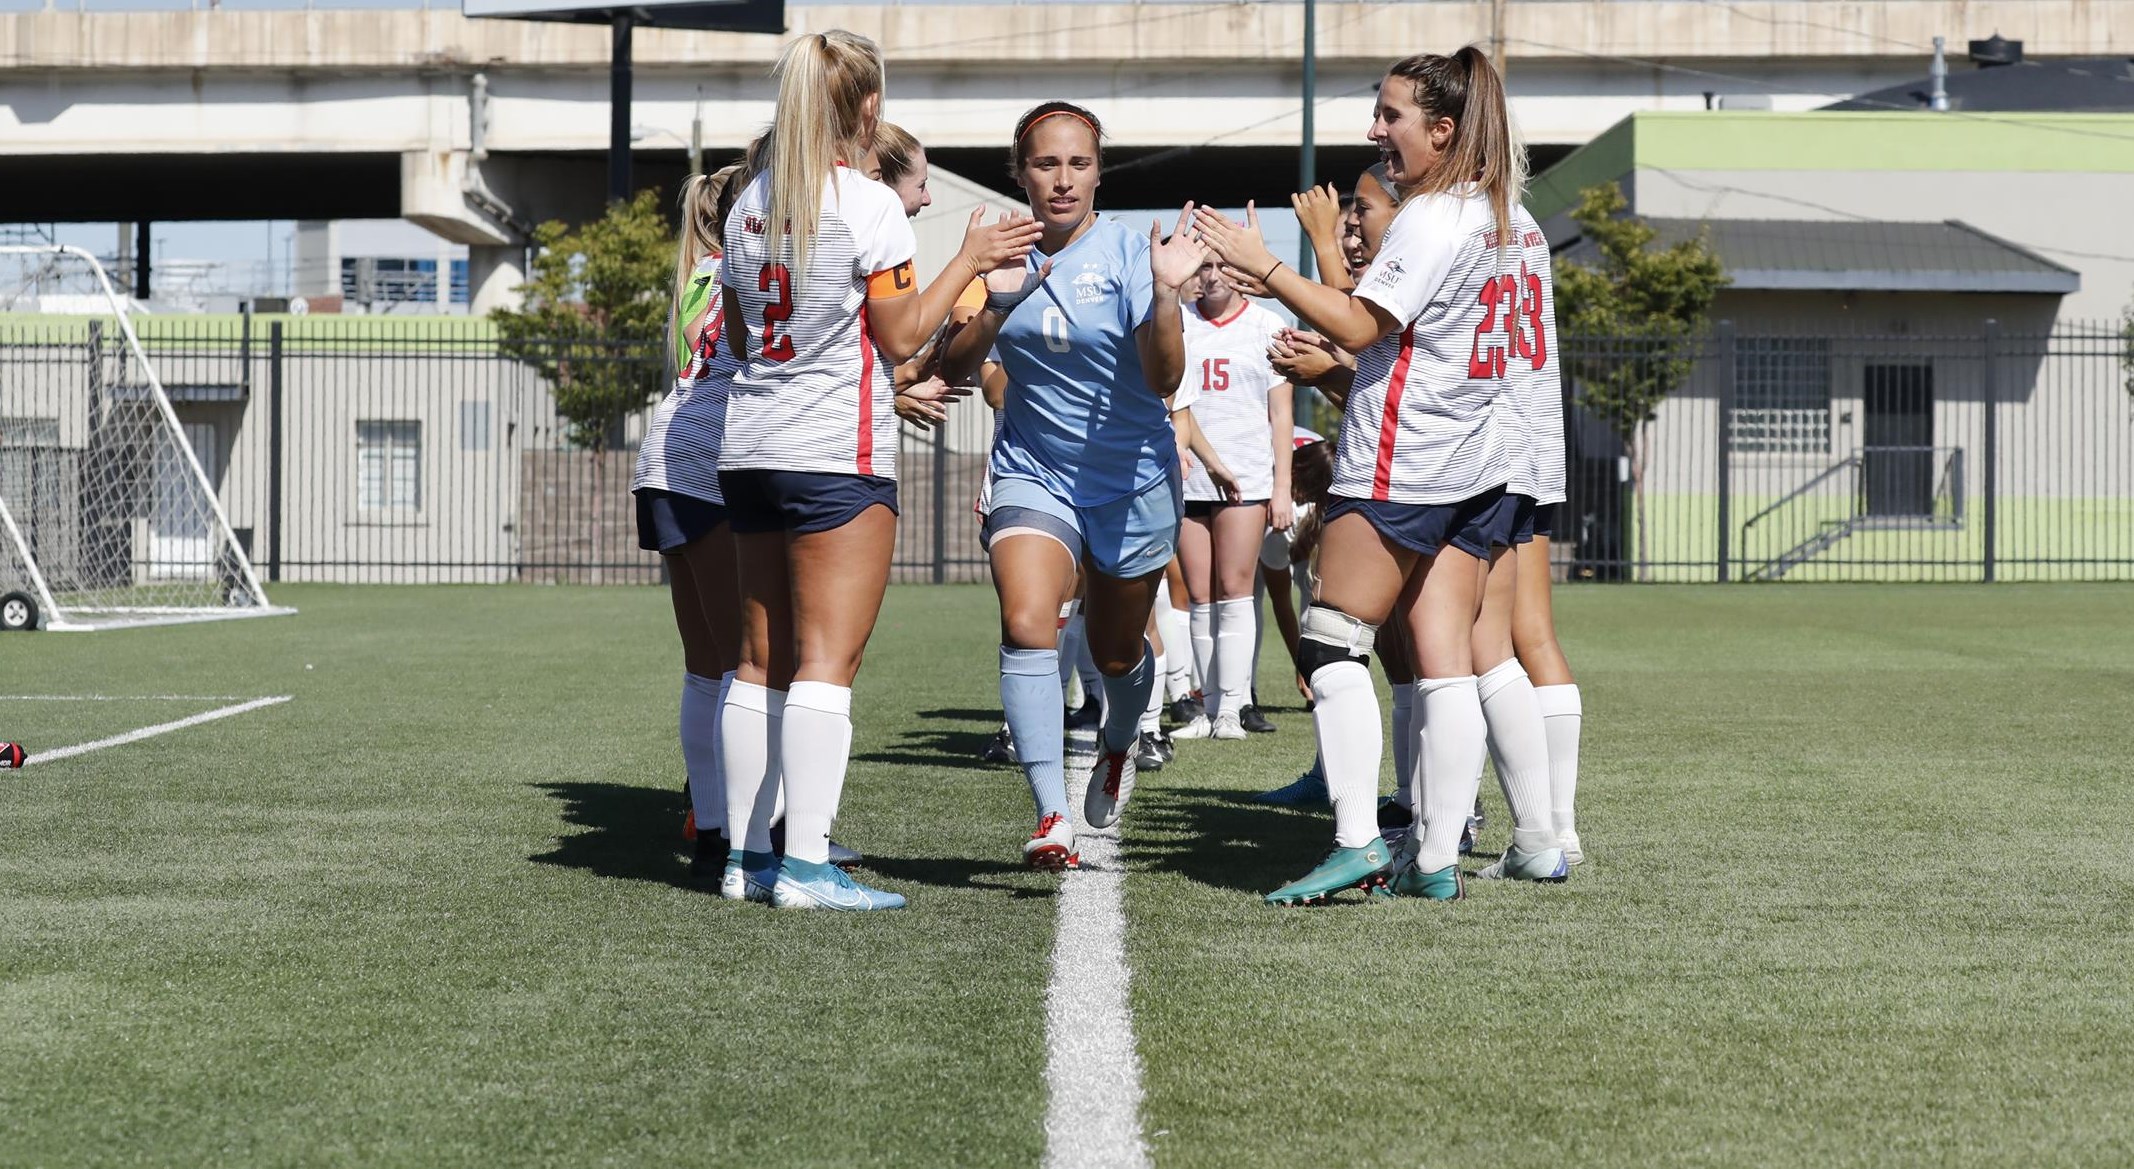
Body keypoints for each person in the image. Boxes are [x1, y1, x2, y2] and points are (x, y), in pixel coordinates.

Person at [1196, 45, 1561, 904]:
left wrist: (1269, 268)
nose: (1376, 129)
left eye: (1392, 115)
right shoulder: (1517, 219)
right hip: (1479, 461)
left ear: (1443, 129)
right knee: (1447, 665)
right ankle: (1436, 859)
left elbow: (1362, 328)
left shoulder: (1435, 216)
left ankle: (1359, 838)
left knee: (1330, 640)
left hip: (1406, 455)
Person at [716, 29, 1041, 911]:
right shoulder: (864, 203)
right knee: (826, 660)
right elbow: (901, 338)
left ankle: (746, 858)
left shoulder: (749, 198)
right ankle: (808, 865)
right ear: (866, 109)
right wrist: (970, 261)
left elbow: (743, 335)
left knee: (757, 661)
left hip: (749, 445)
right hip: (833, 450)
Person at [941, 100, 1214, 870]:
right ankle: (1050, 811)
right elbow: (956, 368)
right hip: (1033, 469)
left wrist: (1165, 294)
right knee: (1029, 621)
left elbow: (1165, 376)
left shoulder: (1133, 253)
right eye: (1045, 164)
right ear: (1020, 173)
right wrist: (993, 295)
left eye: (1079, 163)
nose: (1062, 180)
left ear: (1099, 172)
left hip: (1130, 478)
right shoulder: (994, 251)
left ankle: (1120, 741)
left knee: (1118, 651)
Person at [1169, 258, 1294, 743]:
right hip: (1186, 477)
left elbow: (1281, 415)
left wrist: (1280, 486)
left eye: (1221, 265)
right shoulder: (1178, 322)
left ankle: (1234, 706)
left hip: (1247, 477)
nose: (1211, 275)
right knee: (1199, 594)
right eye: (1201, 265)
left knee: (1236, 587)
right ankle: (1208, 706)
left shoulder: (1268, 325)